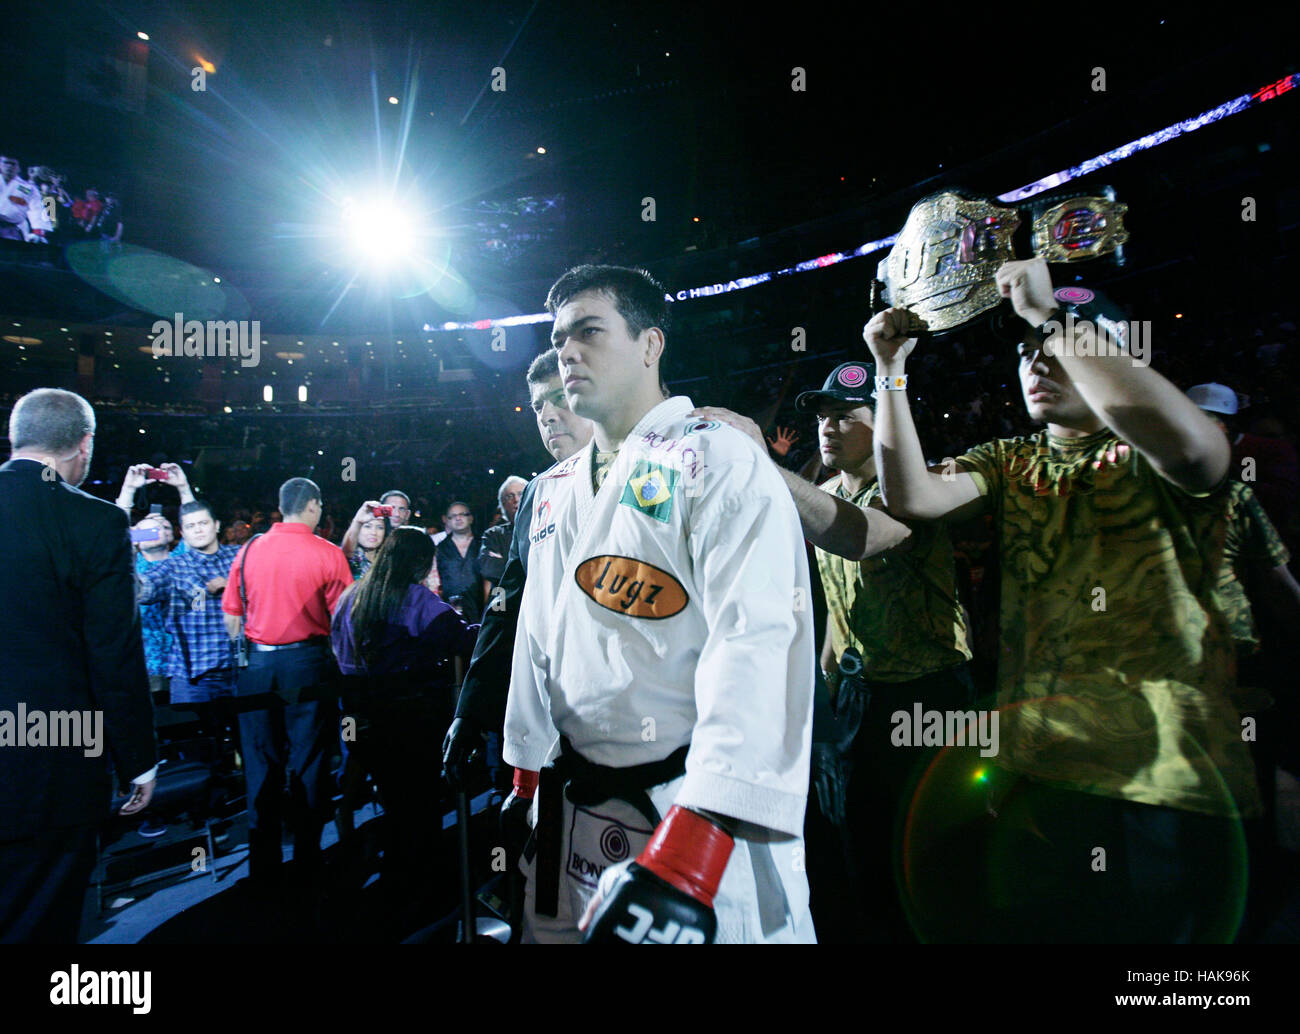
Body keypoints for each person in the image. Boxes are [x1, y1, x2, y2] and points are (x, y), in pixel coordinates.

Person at [866, 256, 1261, 942]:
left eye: (1052, 348)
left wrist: (1049, 318)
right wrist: (889, 369)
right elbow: (912, 497)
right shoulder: (1011, 458)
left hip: (1162, 778)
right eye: (1024, 353)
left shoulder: (1155, 453)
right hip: (1045, 770)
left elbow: (1197, 454)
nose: (1035, 363)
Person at [503, 264, 816, 944]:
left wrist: (692, 858)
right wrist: (525, 776)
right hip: (578, 800)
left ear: (651, 345)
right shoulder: (553, 489)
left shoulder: (718, 458)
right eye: (559, 340)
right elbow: (538, 638)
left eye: (590, 330)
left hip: (693, 810)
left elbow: (759, 641)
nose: (568, 353)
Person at [692, 359, 976, 943]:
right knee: (861, 853)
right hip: (856, 700)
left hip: (928, 695)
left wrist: (763, 464)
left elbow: (867, 538)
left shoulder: (921, 487)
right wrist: (825, 689)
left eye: (846, 416)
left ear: (885, 425)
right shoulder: (820, 494)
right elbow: (834, 608)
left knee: (934, 852)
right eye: (822, 416)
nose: (828, 427)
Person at [0, 389, 156, 943]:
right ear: (84, 445)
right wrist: (137, 758)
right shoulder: (97, 522)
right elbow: (112, 653)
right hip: (51, 770)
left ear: (16, 438)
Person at [443, 349, 594, 803]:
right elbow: (505, 608)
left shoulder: (649, 472)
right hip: (549, 725)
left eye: (558, 398)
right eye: (536, 407)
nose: (546, 415)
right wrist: (469, 710)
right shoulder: (536, 494)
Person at [331, 527, 479, 928]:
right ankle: (420, 895)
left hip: (360, 720)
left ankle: (394, 883)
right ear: (418, 562)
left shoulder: (350, 598)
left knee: (396, 802)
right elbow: (465, 641)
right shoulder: (416, 601)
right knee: (422, 808)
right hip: (411, 721)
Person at [220, 477, 352, 896]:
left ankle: (264, 868)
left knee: (260, 763)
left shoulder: (249, 548)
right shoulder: (328, 554)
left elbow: (232, 618)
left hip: (257, 667)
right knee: (309, 760)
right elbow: (344, 624)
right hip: (307, 665)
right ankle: (309, 859)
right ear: (312, 506)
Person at [135, 500, 241, 744]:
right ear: (183, 532)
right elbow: (141, 590)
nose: (198, 529)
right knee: (199, 753)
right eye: (191, 526)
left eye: (203, 523)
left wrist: (231, 586)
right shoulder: (172, 567)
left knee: (252, 743)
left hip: (240, 670)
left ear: (216, 525)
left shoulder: (239, 558)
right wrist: (128, 549)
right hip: (194, 677)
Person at [479, 476, 526, 601]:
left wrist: (505, 562)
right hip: (504, 601)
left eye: (521, 494)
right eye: (509, 496)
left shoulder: (542, 529)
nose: (516, 499)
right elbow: (489, 569)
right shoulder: (493, 535)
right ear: (503, 505)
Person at [435, 501, 482, 622]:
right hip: (449, 613)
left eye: (462, 514)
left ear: (471, 518)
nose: (458, 518)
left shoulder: (484, 544)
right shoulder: (439, 549)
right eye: (453, 516)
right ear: (447, 521)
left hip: (480, 611)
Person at [340, 490, 410, 559]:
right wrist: (358, 521)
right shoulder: (353, 554)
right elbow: (346, 552)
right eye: (368, 526)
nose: (397, 514)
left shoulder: (388, 557)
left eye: (380, 528)